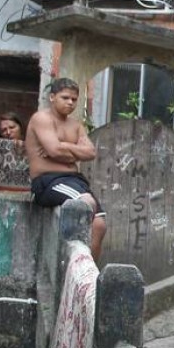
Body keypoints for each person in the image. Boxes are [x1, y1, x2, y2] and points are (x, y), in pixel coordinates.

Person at [25, 78, 107, 260]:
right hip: (48, 182)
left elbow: (91, 152)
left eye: (74, 99)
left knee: (99, 224)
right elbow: (54, 150)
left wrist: (63, 146)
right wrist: (71, 151)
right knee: (87, 202)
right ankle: (71, 268)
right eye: (65, 97)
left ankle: (89, 279)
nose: (70, 102)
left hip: (75, 180)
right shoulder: (41, 118)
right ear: (52, 97)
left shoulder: (76, 125)